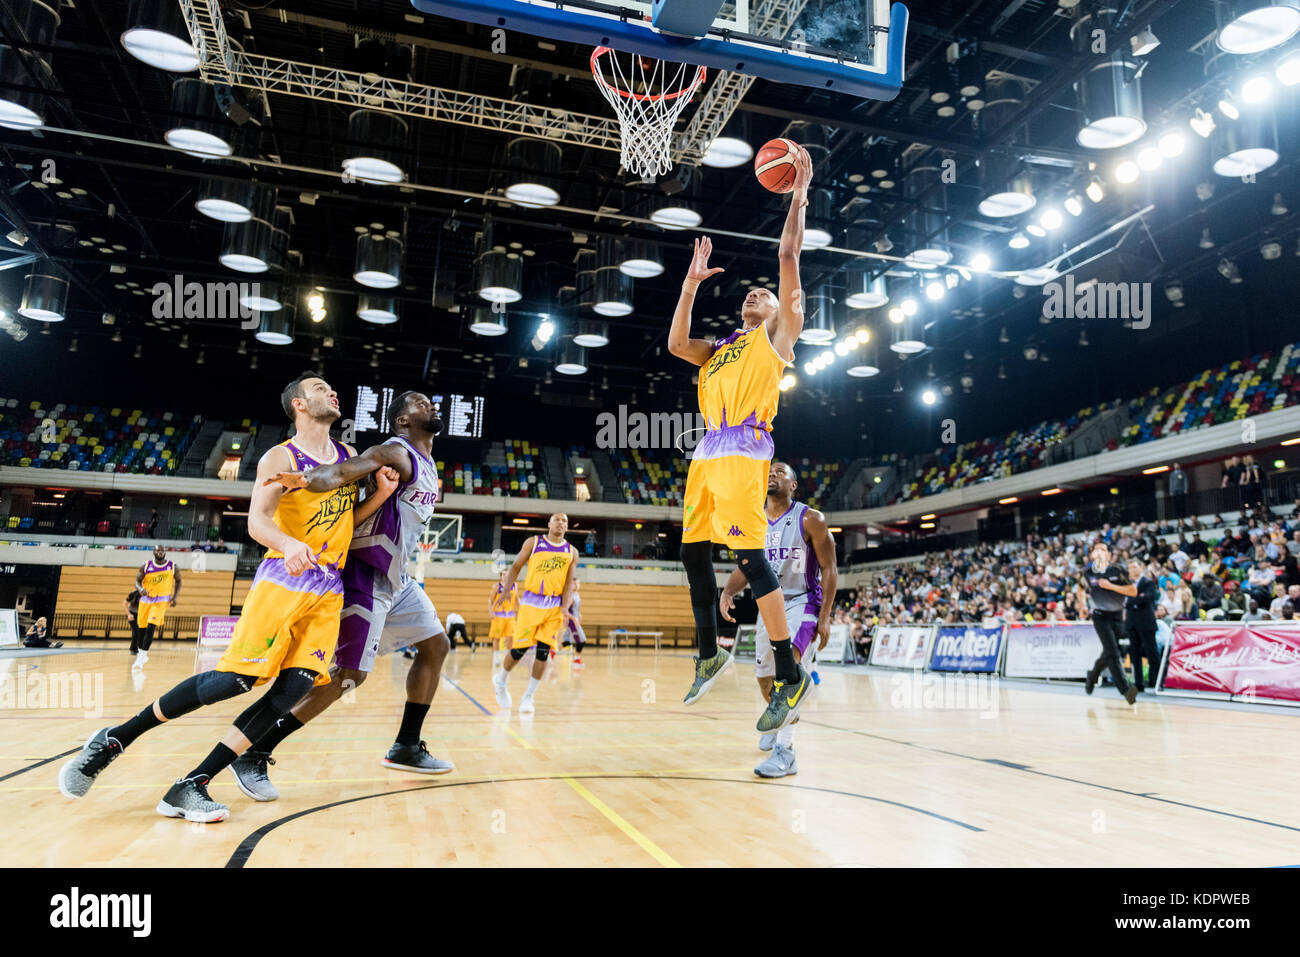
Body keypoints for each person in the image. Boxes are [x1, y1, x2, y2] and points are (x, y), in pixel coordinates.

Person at [58, 372, 361, 822]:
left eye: (331, 388)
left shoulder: (348, 456)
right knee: (234, 682)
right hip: (284, 579)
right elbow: (258, 522)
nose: (331, 392)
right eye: (319, 388)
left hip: (328, 586)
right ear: (298, 404)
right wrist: (288, 544)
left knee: (293, 689)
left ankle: (191, 784)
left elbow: (351, 516)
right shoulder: (281, 456)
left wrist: (387, 493)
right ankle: (116, 738)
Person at [232, 389, 455, 800]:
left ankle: (406, 745)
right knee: (347, 678)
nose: (431, 405)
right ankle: (256, 748)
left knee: (436, 645)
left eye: (431, 401)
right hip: (365, 574)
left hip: (396, 577)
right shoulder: (395, 452)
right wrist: (301, 480)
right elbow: (338, 474)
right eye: (421, 402)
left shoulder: (425, 461)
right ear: (402, 420)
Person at [667, 143, 815, 736]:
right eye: (749, 293)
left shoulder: (776, 340)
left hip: (746, 449)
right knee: (692, 553)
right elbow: (679, 345)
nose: (755, 294)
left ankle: (788, 671)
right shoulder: (722, 348)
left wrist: (798, 198)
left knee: (751, 560)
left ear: (781, 312)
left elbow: (787, 253)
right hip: (707, 452)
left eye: (765, 294)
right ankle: (710, 649)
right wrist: (689, 285)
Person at [719, 462, 836, 779]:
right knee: (764, 679)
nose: (772, 474)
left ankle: (786, 753)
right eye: (769, 471)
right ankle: (776, 718)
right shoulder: (753, 521)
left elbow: (829, 569)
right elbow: (747, 566)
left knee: (790, 675)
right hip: (768, 603)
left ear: (794, 486)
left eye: (781, 472)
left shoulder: (811, 519)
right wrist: (728, 591)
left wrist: (824, 618)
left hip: (803, 601)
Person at [493, 513, 577, 715]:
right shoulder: (534, 542)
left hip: (554, 606)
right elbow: (515, 567)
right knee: (519, 649)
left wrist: (565, 607)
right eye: (557, 519)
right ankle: (501, 680)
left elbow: (568, 583)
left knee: (543, 652)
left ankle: (528, 697)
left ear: (567, 527)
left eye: (564, 521)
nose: (560, 523)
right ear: (549, 524)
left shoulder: (571, 552)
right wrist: (506, 593)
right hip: (531, 603)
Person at [1082, 542, 1139, 706]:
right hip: (1100, 617)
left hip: (1117, 616)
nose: (1099, 552)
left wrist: (1110, 586)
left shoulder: (1117, 570)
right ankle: (1126, 690)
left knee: (1109, 653)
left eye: (1103, 549)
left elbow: (1133, 591)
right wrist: (1081, 605)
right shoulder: (1088, 573)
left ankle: (1092, 676)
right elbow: (1080, 588)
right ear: (1092, 555)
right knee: (1113, 653)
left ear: (1108, 555)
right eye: (1096, 549)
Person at [134, 545, 181, 663]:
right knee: (142, 628)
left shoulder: (172, 566)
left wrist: (175, 597)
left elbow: (179, 581)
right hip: (146, 600)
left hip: (161, 601)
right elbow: (137, 581)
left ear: (165, 552)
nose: (160, 552)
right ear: (154, 552)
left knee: (151, 626)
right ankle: (141, 651)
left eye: (162, 550)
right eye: (158, 550)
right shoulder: (146, 565)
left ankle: (143, 654)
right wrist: (140, 589)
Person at [1123, 559, 1160, 694]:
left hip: (1145, 622)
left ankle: (1154, 680)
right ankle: (1138, 682)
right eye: (1129, 568)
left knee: (1152, 652)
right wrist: (1136, 599)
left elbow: (1148, 598)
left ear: (1140, 567)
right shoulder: (1128, 584)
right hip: (1132, 622)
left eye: (1134, 567)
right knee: (1135, 654)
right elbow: (1125, 602)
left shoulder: (1148, 582)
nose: (1131, 570)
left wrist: (1133, 600)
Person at [487, 570, 518, 675]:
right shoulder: (496, 586)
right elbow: (490, 601)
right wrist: (491, 612)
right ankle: (496, 658)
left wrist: (522, 611)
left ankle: (507, 657)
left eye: (508, 573)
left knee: (511, 637)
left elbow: (517, 599)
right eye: (504, 574)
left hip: (510, 616)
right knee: (496, 638)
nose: (506, 575)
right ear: (501, 576)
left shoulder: (514, 585)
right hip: (498, 615)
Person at [559, 578, 588, 664]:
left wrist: (579, 615)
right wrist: (572, 619)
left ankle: (554, 650)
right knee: (582, 640)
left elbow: (576, 608)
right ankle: (577, 659)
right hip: (572, 622)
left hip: (575, 620)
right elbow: (565, 610)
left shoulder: (577, 594)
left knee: (569, 641)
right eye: (574, 584)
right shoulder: (570, 596)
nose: (577, 585)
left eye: (578, 583)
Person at [123, 586, 147, 663]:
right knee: (136, 631)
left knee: (142, 632)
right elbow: (124, 604)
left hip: (141, 615)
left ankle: (140, 649)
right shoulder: (134, 593)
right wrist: (128, 614)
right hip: (132, 614)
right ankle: (133, 649)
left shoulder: (149, 594)